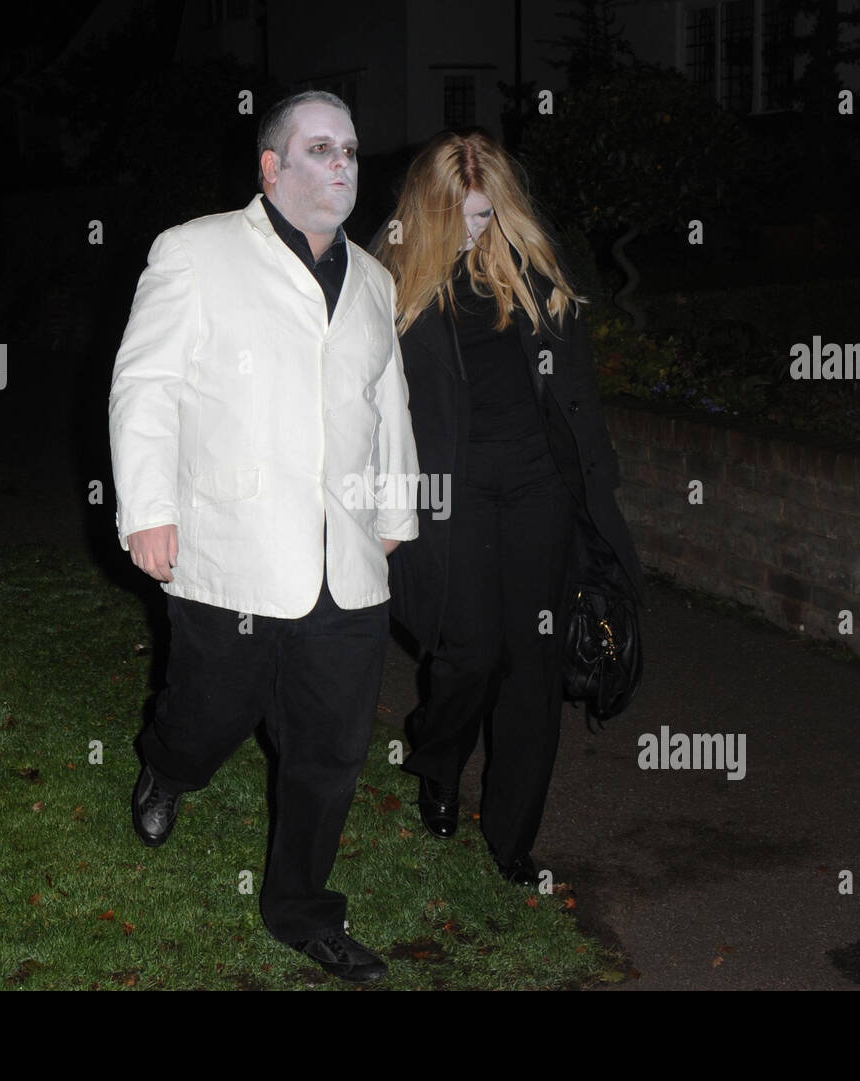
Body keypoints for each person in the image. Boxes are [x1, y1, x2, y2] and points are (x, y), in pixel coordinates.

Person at [108, 91, 420, 983]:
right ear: (270, 167)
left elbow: (387, 406)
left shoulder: (373, 278)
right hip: (227, 554)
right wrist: (148, 511)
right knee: (206, 718)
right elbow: (146, 387)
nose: (343, 165)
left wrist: (394, 512)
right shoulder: (195, 252)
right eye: (320, 148)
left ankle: (301, 910)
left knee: (331, 750)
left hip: (346, 563)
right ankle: (168, 767)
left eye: (352, 150)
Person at [372, 129, 645, 885]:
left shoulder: (532, 270)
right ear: (426, 211)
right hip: (448, 492)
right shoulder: (387, 280)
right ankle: (436, 759)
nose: (473, 229)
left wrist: (597, 490)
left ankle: (512, 836)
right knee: (471, 654)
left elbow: (576, 390)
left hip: (537, 488)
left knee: (533, 662)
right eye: (459, 215)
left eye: (486, 214)